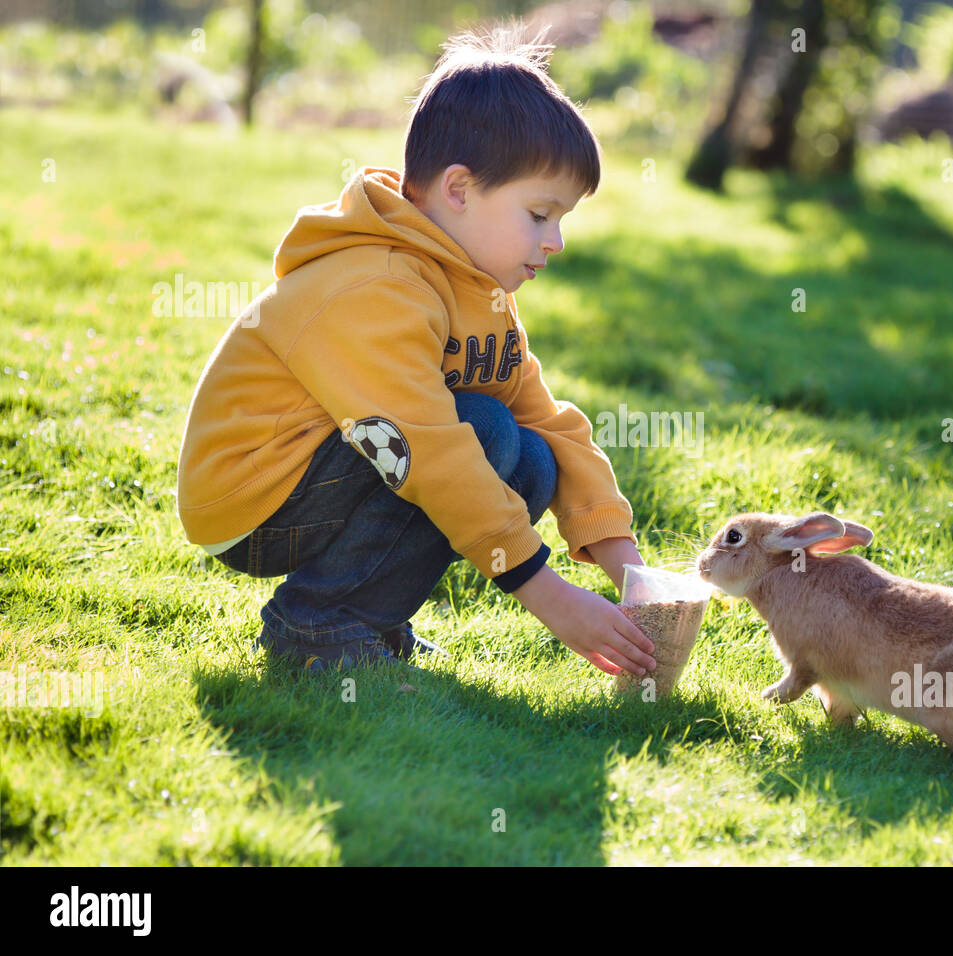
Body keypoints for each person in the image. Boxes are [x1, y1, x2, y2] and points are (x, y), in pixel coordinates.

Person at [175, 23, 656, 677]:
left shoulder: (477, 292)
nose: (557, 241)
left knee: (532, 456)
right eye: (540, 214)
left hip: (335, 470)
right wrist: (547, 593)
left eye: (562, 219)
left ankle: (367, 618)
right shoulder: (377, 283)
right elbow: (423, 449)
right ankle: (314, 627)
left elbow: (545, 416)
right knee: (478, 433)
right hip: (254, 498)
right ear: (458, 191)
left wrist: (625, 561)